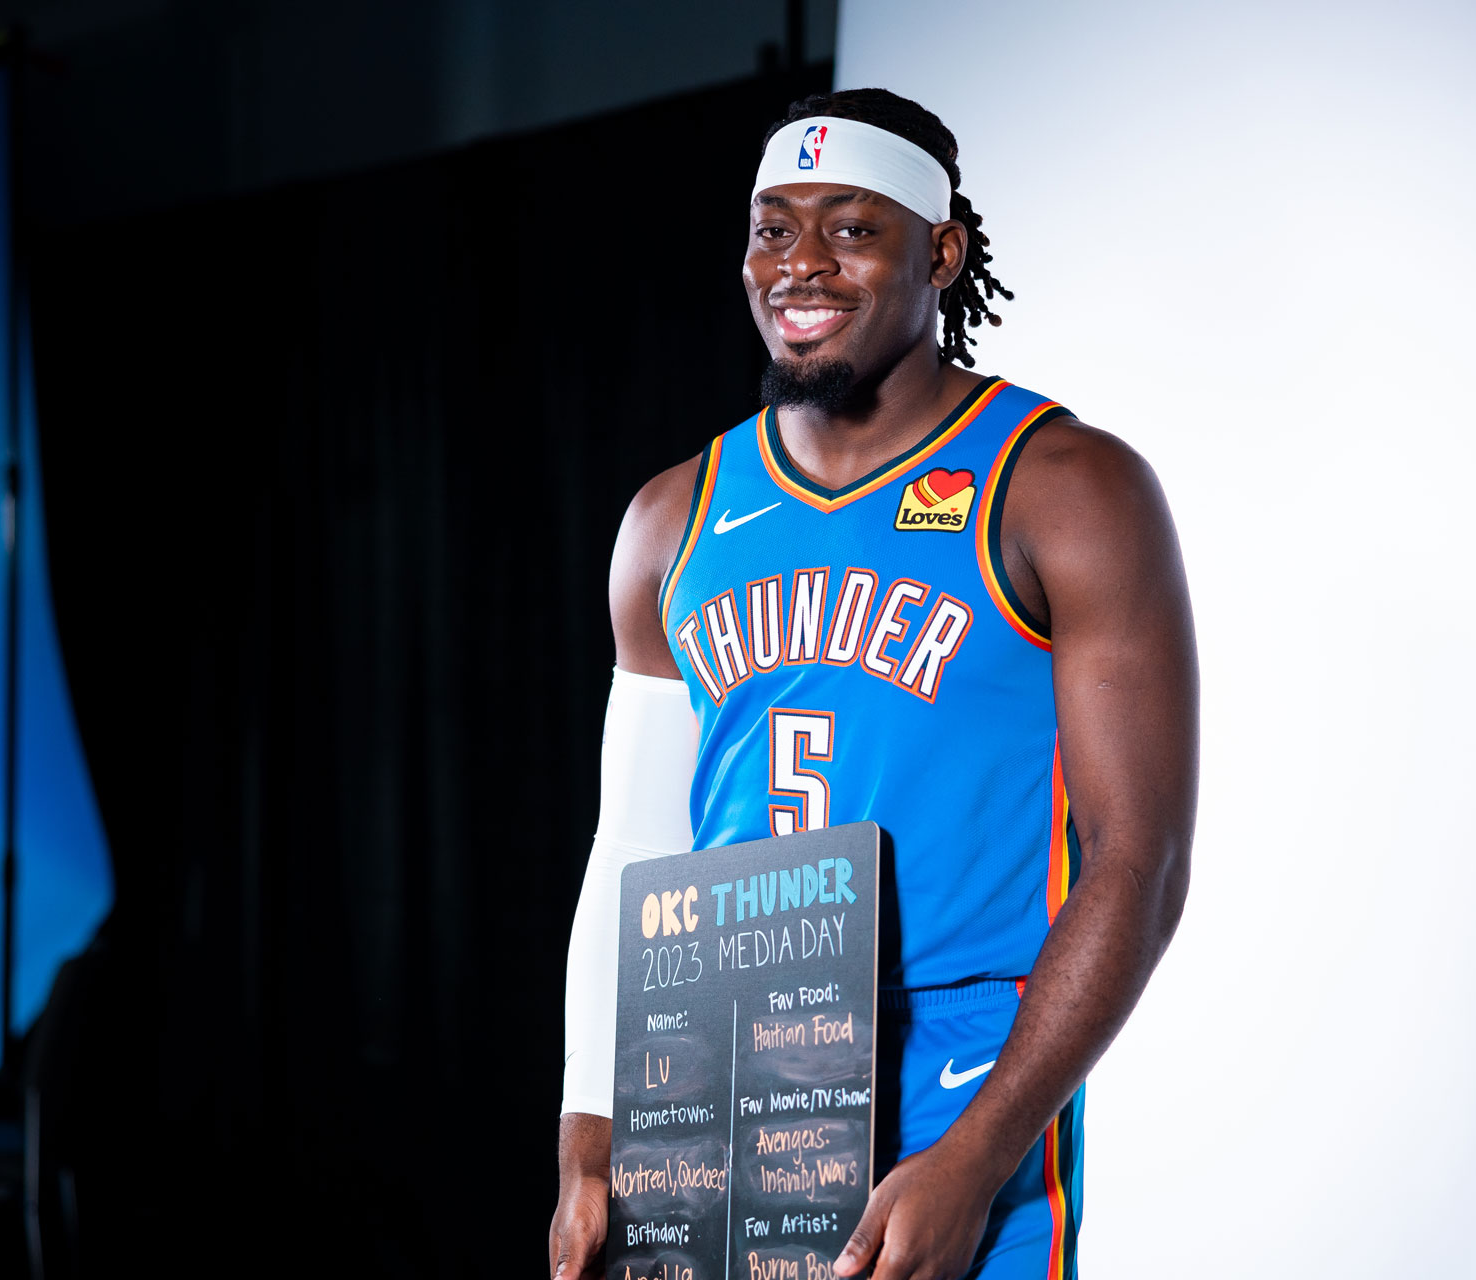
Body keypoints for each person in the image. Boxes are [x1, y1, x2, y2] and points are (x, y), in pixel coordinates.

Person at [550, 88, 1198, 1280]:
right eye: (773, 226)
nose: (801, 263)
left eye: (852, 228)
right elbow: (630, 848)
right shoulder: (670, 519)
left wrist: (981, 1152)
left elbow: (1136, 864)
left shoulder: (1063, 487)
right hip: (723, 1064)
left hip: (963, 1057)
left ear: (940, 253)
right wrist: (588, 1137)